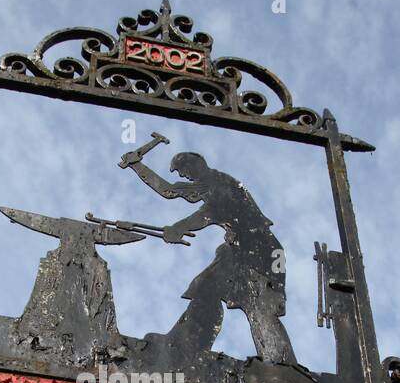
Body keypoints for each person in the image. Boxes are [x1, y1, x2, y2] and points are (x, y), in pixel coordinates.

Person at [122, 149, 298, 365]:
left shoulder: (219, 183)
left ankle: (282, 364)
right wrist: (138, 167)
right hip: (241, 251)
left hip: (261, 252)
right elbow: (170, 190)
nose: (185, 177)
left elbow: (209, 211)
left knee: (260, 305)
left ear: (196, 164)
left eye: (184, 171)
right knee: (207, 287)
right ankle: (189, 346)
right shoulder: (211, 183)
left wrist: (179, 227)